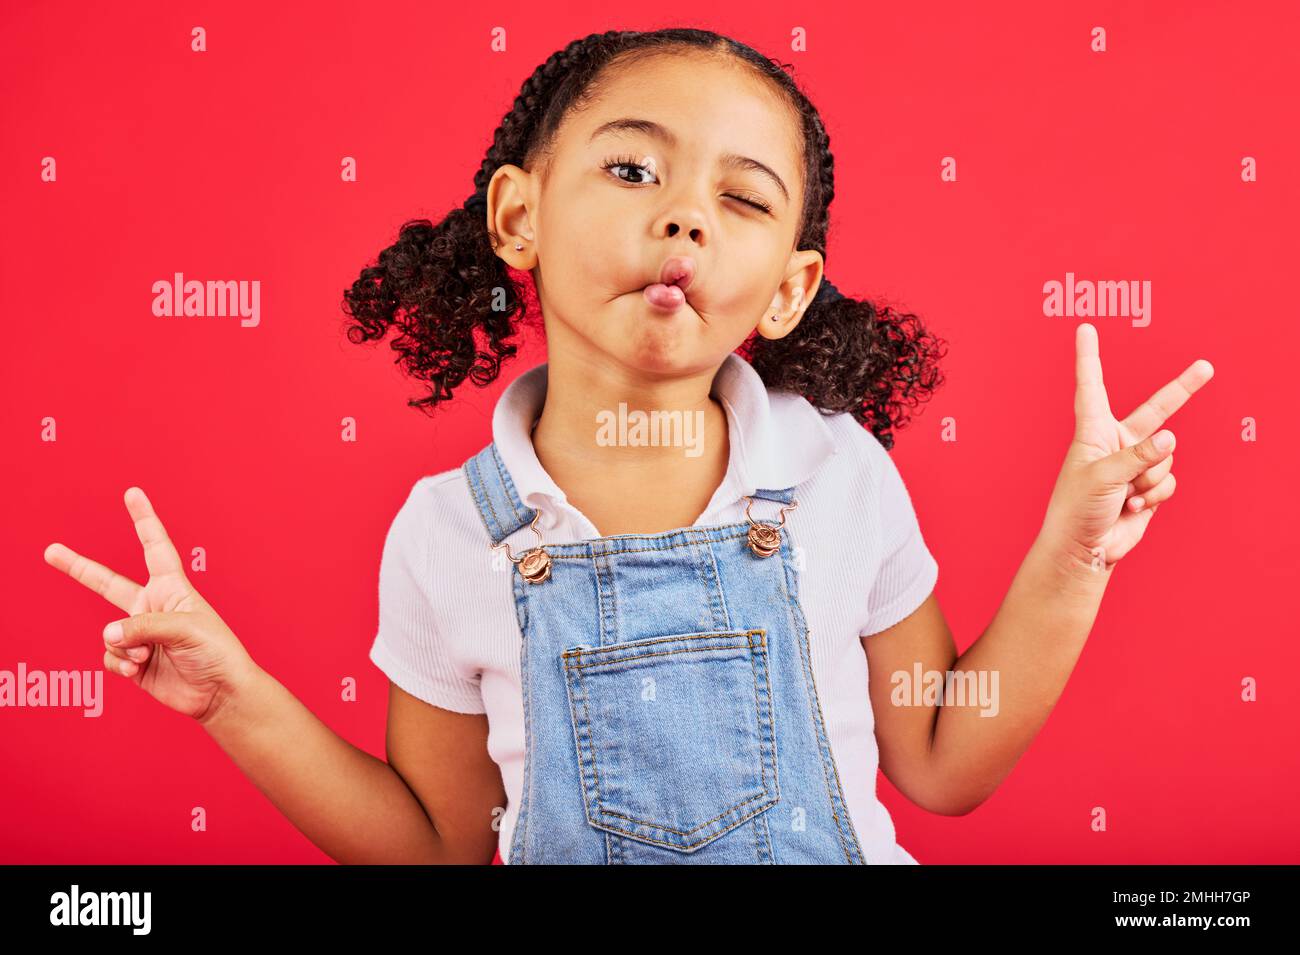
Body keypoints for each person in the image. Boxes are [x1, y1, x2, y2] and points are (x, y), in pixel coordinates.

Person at [44, 27, 1213, 864]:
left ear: (788, 290)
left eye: (744, 199)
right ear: (519, 215)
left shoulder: (834, 472)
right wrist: (236, 700)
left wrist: (1074, 554)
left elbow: (947, 763)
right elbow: (442, 844)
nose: (686, 215)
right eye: (632, 168)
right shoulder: (449, 532)